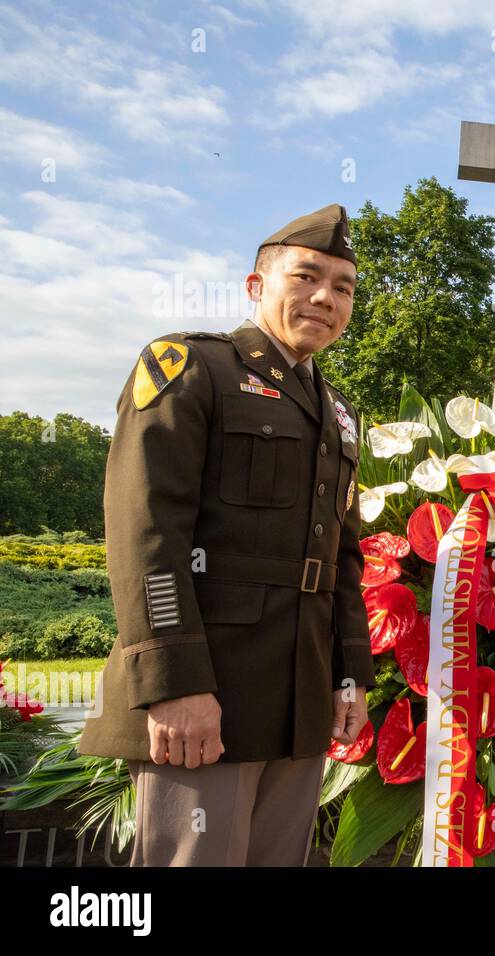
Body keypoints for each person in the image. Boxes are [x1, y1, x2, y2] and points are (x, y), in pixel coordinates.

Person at [78, 204, 376, 866]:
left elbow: (342, 562)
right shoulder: (191, 367)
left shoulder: (340, 414)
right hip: (207, 694)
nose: (326, 298)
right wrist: (175, 680)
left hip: (297, 701)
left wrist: (350, 674)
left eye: (344, 287)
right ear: (255, 286)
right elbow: (146, 535)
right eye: (307, 278)